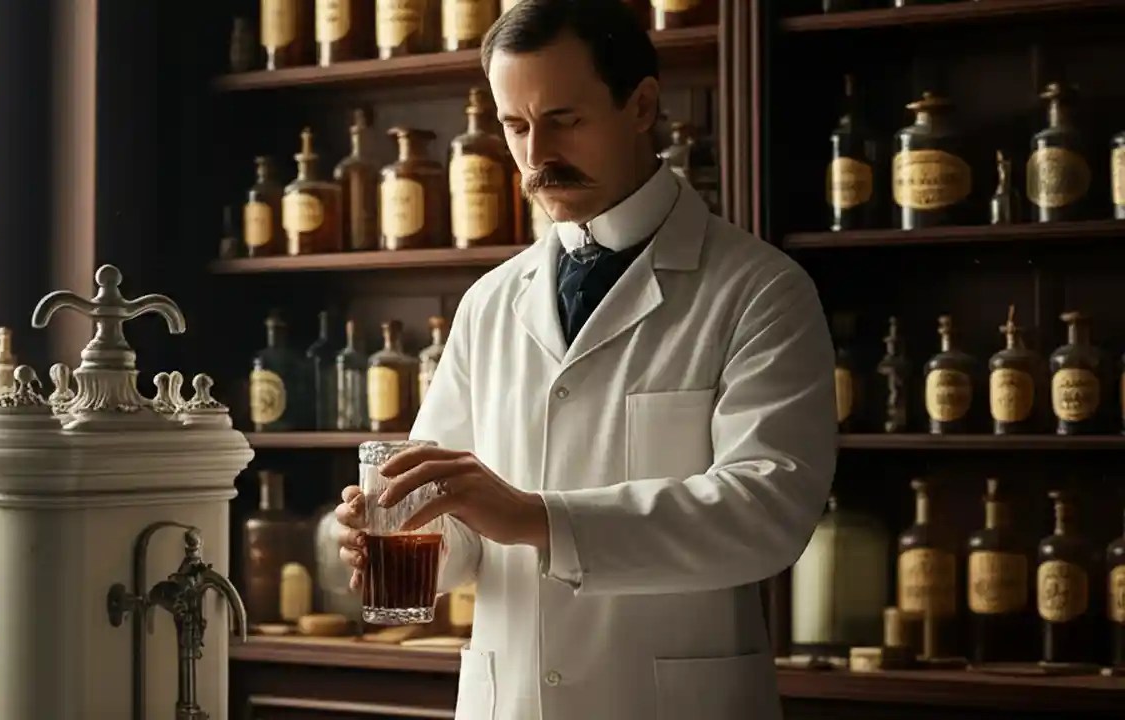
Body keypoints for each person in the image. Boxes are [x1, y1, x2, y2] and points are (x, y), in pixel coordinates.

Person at [334, 1, 836, 718]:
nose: (536, 155)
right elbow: (452, 520)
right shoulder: (489, 302)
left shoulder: (760, 290)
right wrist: (408, 539)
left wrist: (539, 519)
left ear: (642, 105)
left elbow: (768, 512)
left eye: (563, 119)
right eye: (515, 126)